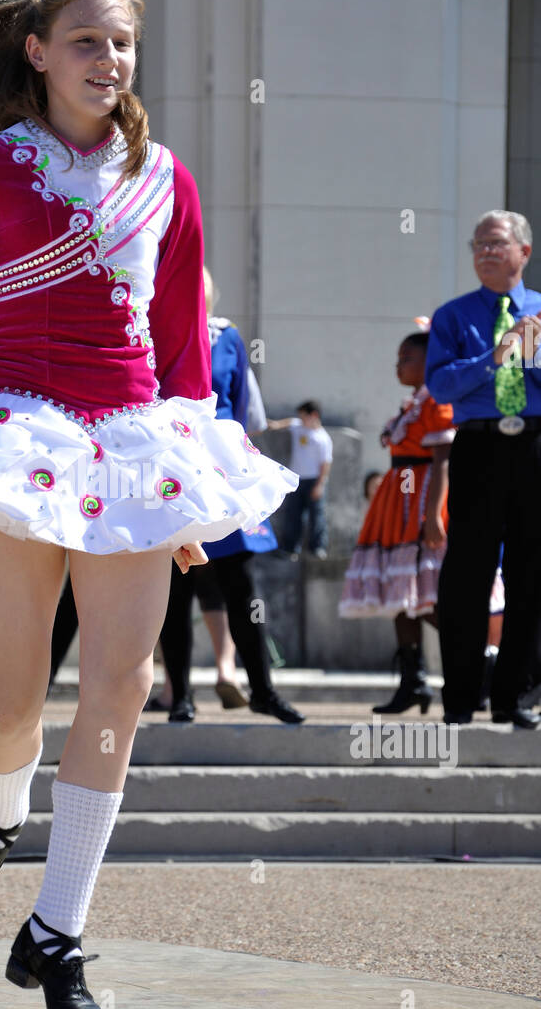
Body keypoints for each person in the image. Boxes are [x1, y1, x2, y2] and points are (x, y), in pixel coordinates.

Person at [0, 0, 297, 1009]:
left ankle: (55, 930)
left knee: (122, 680)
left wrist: (191, 494)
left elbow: (180, 348)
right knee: (10, 701)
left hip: (131, 439)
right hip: (14, 430)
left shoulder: (165, 179)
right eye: (85, 41)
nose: (107, 61)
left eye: (120, 43)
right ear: (37, 51)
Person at [152, 268, 303, 724]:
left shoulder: (227, 337)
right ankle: (180, 695)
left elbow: (244, 411)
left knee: (240, 585)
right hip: (168, 468)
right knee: (175, 586)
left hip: (218, 469)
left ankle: (262, 689)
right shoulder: (147, 333)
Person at [427, 209, 541, 728]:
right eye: (478, 244)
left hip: (534, 446)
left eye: (496, 243)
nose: (486, 252)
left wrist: (532, 356)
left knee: (530, 574)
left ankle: (515, 697)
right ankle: (460, 699)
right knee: (467, 574)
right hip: (478, 447)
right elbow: (441, 386)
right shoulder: (453, 316)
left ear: (524, 252)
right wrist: (495, 356)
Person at [339, 331, 453, 713]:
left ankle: (476, 663)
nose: (398, 365)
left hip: (420, 497)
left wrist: (432, 513)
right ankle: (413, 681)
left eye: (406, 358)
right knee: (400, 594)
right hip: (398, 497)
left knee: (427, 596)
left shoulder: (437, 400)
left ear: (429, 362)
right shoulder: (414, 403)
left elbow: (443, 459)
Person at [270, 401, 332, 557]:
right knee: (293, 515)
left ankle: (318, 547)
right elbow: (289, 422)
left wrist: (320, 485)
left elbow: (325, 463)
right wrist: (275, 425)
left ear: (314, 415)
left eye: (304, 416)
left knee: (316, 515)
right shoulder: (298, 426)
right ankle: (290, 548)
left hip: (313, 480)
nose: (301, 419)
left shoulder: (323, 438)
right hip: (296, 480)